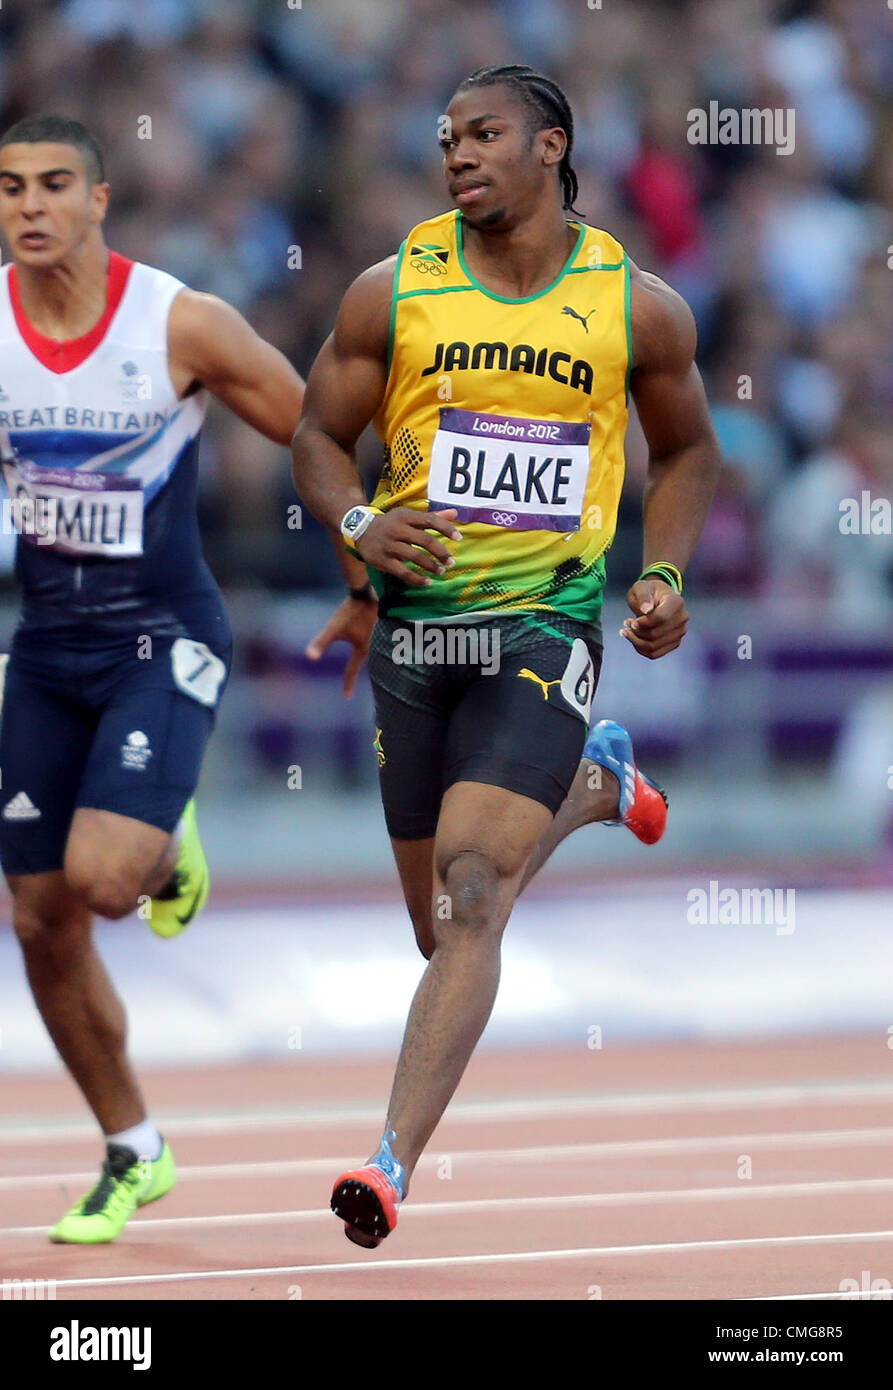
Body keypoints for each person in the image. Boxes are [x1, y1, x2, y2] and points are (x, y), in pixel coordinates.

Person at [292, 64, 720, 1248]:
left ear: (550, 149)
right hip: (420, 630)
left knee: (473, 896)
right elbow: (316, 436)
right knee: (439, 930)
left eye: (482, 134)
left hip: (543, 623)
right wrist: (359, 528)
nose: (457, 154)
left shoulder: (636, 306)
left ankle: (388, 1163)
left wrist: (665, 573)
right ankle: (595, 784)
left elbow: (686, 451)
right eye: (444, 139)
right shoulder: (393, 290)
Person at [0, 113, 319, 1245]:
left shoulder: (178, 319)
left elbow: (314, 427)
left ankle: (161, 834)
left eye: (51, 185)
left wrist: (374, 560)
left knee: (99, 879)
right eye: (8, 189)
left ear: (98, 200)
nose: (28, 206)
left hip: (159, 637)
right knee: (39, 921)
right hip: (42, 647)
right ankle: (132, 1148)